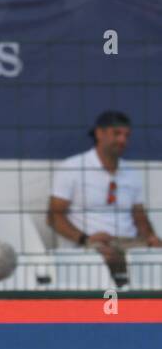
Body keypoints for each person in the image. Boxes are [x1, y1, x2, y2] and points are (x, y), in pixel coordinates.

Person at [48, 111, 161, 287]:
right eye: (117, 134)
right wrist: (85, 238)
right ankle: (116, 306)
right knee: (111, 256)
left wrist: (152, 238)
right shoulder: (72, 167)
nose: (123, 140)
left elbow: (139, 216)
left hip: (129, 242)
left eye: (126, 135)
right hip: (92, 243)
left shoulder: (131, 172)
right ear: (99, 133)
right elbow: (54, 216)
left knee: (153, 254)